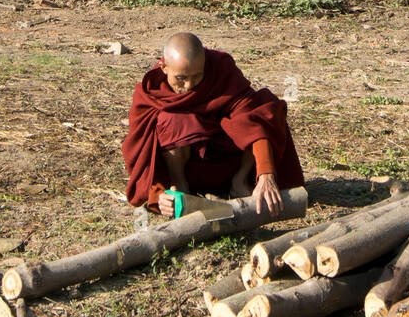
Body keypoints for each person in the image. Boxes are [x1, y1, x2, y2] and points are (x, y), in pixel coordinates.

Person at [121, 32, 305, 217]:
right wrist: (160, 193)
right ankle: (181, 189)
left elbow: (253, 118)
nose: (189, 85)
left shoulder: (221, 71)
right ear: (164, 67)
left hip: (229, 163)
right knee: (172, 121)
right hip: (189, 169)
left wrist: (265, 174)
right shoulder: (151, 91)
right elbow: (143, 149)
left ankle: (239, 182)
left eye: (197, 76)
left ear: (205, 65)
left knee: (262, 108)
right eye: (181, 78)